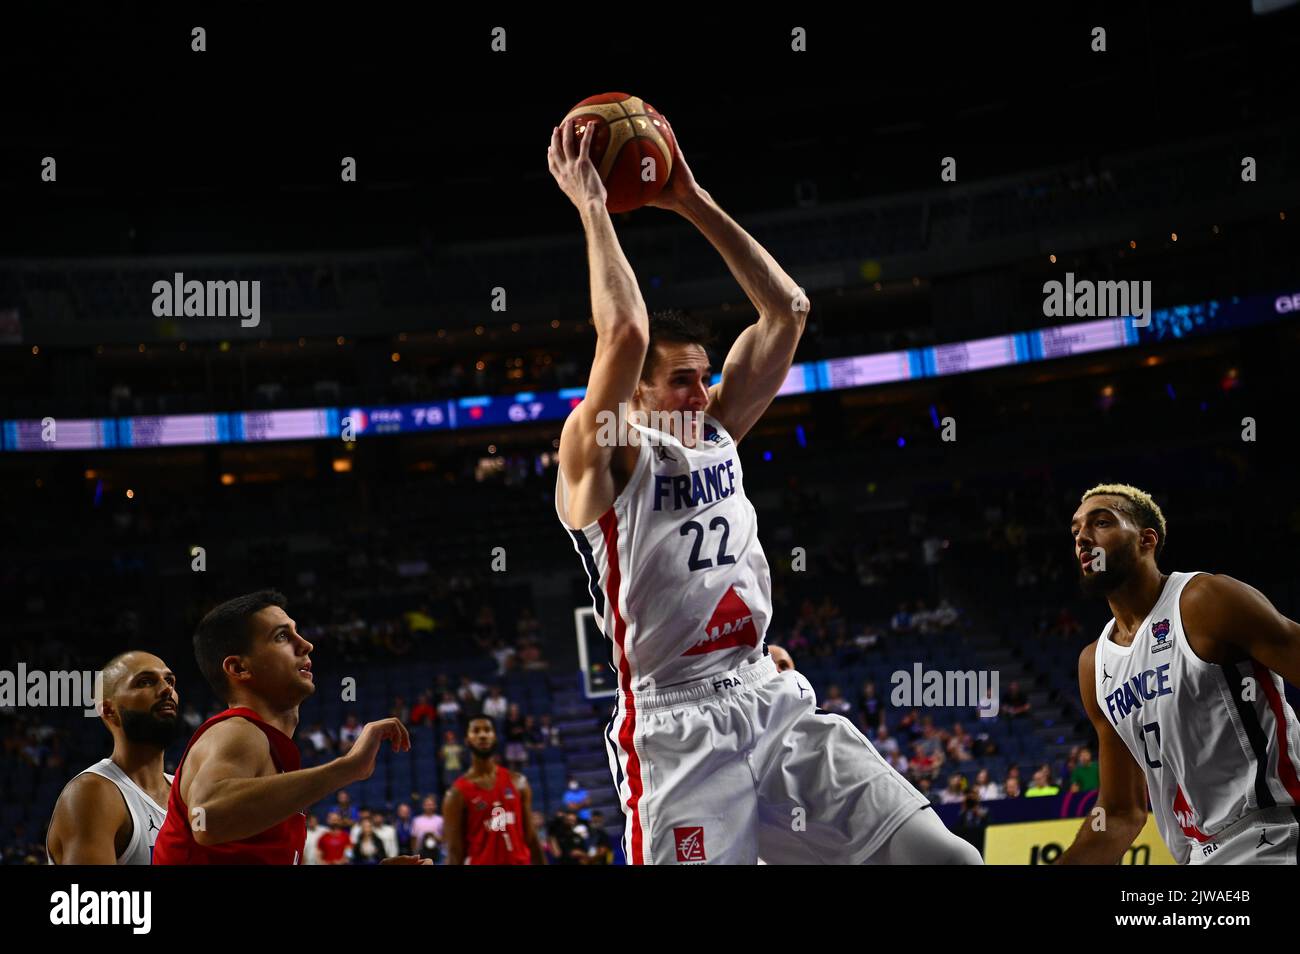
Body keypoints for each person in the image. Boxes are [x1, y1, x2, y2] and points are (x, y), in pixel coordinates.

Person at [548, 118, 978, 866]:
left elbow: (789, 311)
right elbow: (622, 333)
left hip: (769, 699)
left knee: (947, 860)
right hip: (674, 733)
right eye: (680, 379)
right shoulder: (604, 457)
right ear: (637, 395)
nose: (699, 391)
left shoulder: (716, 429)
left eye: (704, 375)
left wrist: (690, 197)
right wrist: (592, 205)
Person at [1059, 484, 1300, 865]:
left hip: (1275, 835)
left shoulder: (1206, 600)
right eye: (1075, 531)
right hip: (1198, 856)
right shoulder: (1095, 664)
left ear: (1146, 539)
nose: (1083, 539)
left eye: (1101, 522)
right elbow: (1121, 813)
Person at [151, 590, 424, 865]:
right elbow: (206, 819)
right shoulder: (238, 731)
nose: (306, 645)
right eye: (281, 636)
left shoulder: (270, 753)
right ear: (238, 668)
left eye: (297, 632)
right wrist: (348, 768)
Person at [46, 651, 180, 864]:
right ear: (109, 710)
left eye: (170, 680)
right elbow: (92, 898)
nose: (167, 689)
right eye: (145, 682)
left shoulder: (187, 792)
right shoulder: (93, 792)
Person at [442, 717, 544, 865]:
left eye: (487, 730)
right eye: (476, 731)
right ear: (467, 740)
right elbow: (454, 853)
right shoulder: (456, 794)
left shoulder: (518, 783)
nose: (482, 735)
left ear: (495, 737)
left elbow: (531, 838)